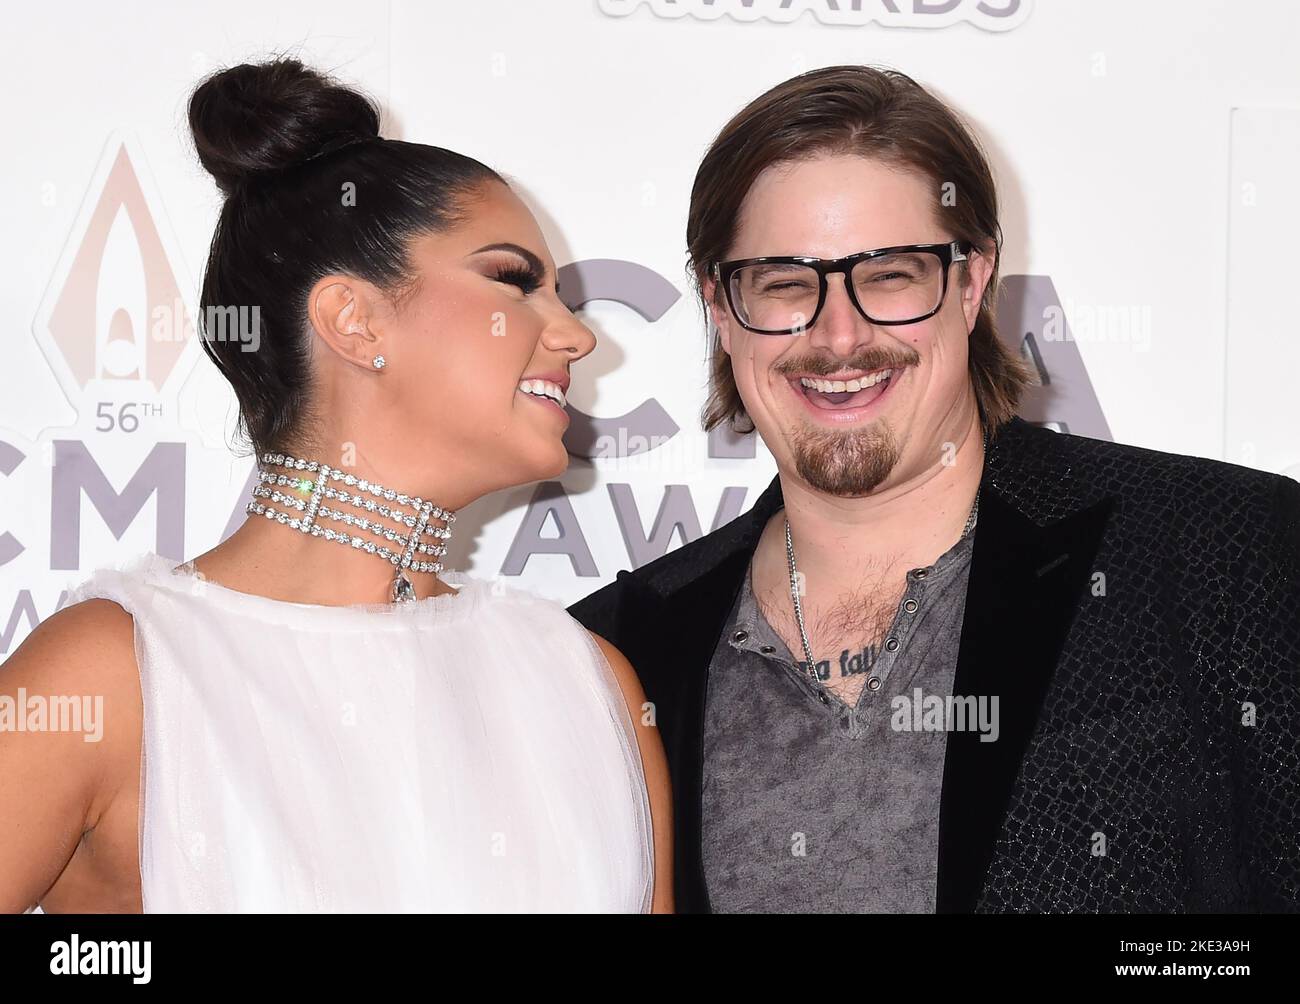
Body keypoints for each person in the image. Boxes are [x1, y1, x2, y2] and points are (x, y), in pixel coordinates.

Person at [568, 64, 1300, 913]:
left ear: (972, 280)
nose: (840, 335)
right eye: (784, 284)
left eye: (890, 276)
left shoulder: (1227, 552)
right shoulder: (620, 652)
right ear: (720, 308)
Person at [0, 58, 672, 913]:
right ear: (355, 322)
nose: (576, 336)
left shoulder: (589, 682)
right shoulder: (111, 676)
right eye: (513, 280)